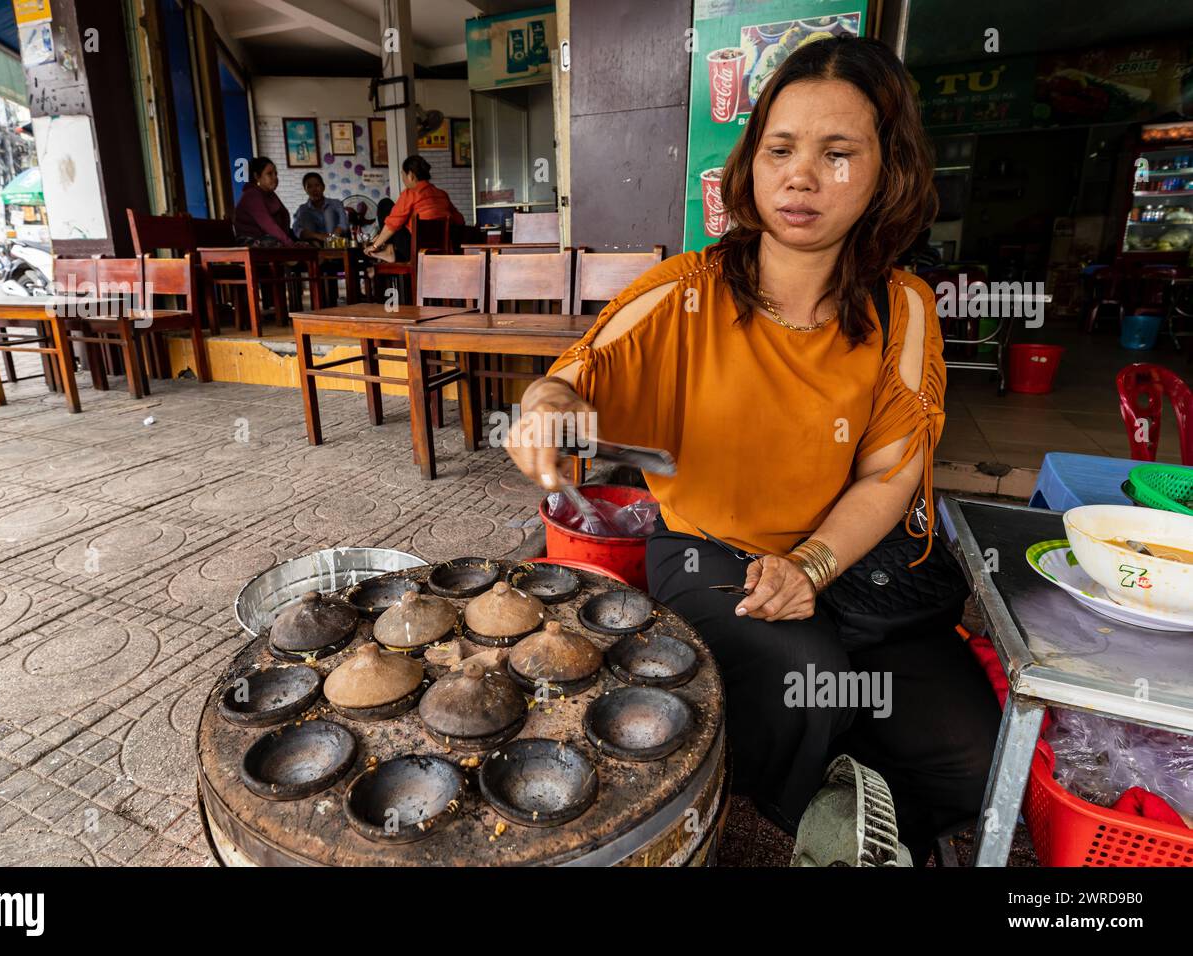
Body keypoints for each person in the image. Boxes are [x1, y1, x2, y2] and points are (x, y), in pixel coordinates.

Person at [505, 36, 999, 863]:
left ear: (888, 171)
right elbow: (572, 378)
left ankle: (843, 789)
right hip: (711, 556)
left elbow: (889, 473)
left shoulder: (903, 308)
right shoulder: (682, 293)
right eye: (780, 149)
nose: (800, 176)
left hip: (855, 566)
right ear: (753, 161)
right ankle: (806, 796)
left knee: (973, 759)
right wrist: (546, 409)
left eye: (838, 154)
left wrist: (810, 567)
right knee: (800, 676)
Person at [363, 155, 463, 262]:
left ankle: (389, 251)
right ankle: (389, 254)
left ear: (410, 175)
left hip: (417, 253)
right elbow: (460, 220)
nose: (403, 179)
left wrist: (374, 246)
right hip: (444, 251)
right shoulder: (442, 194)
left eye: (403, 174)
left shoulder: (411, 193)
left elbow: (391, 225)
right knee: (405, 219)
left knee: (385, 205)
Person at [234, 157, 299, 247]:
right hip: (249, 241)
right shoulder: (252, 194)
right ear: (257, 176)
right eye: (269, 174)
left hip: (269, 238)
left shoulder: (270, 194)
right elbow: (268, 225)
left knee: (304, 243)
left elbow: (285, 216)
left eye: (276, 174)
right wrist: (290, 244)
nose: (275, 177)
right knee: (276, 243)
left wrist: (292, 241)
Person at [292, 172, 348, 244]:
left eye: (317, 185)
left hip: (335, 242)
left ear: (323, 187)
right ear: (305, 190)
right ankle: (317, 249)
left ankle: (330, 246)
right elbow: (297, 230)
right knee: (305, 213)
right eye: (309, 186)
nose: (314, 189)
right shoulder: (302, 209)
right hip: (314, 243)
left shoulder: (336, 203)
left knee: (329, 211)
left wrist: (331, 237)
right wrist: (319, 236)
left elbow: (344, 224)